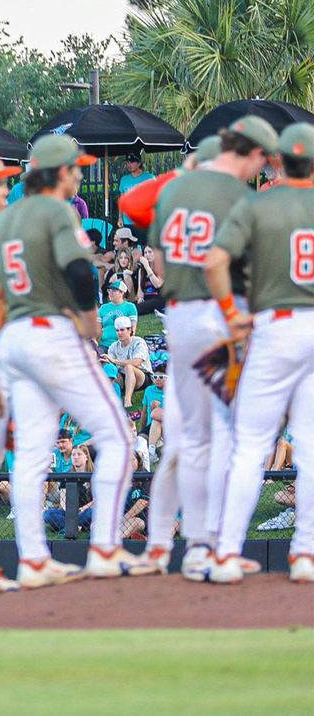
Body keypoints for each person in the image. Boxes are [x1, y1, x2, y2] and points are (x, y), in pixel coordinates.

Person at [0, 133, 158, 583]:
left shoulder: (5, 218)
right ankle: (105, 548)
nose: (79, 174)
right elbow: (80, 270)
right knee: (117, 439)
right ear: (58, 171)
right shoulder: (56, 210)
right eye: (74, 167)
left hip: (14, 335)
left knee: (32, 455)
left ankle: (33, 559)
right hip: (50, 331)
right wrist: (88, 318)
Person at [134, 116, 274, 578]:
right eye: (261, 160)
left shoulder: (175, 189)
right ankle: (215, 546)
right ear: (252, 153)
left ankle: (195, 547)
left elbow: (157, 259)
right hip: (221, 316)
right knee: (227, 434)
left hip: (180, 317)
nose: (260, 169)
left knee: (194, 436)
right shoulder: (238, 196)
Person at [202, 121, 314, 584]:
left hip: (274, 327)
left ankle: (227, 553)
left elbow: (214, 261)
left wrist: (232, 313)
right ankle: (305, 553)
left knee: (250, 445)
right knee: (311, 446)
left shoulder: (257, 204)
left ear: (277, 160)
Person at [117, 154, 155, 225]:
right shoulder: (124, 179)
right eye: (127, 162)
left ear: (139, 163)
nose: (129, 165)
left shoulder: (149, 178)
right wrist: (120, 217)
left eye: (132, 162)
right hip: (127, 220)